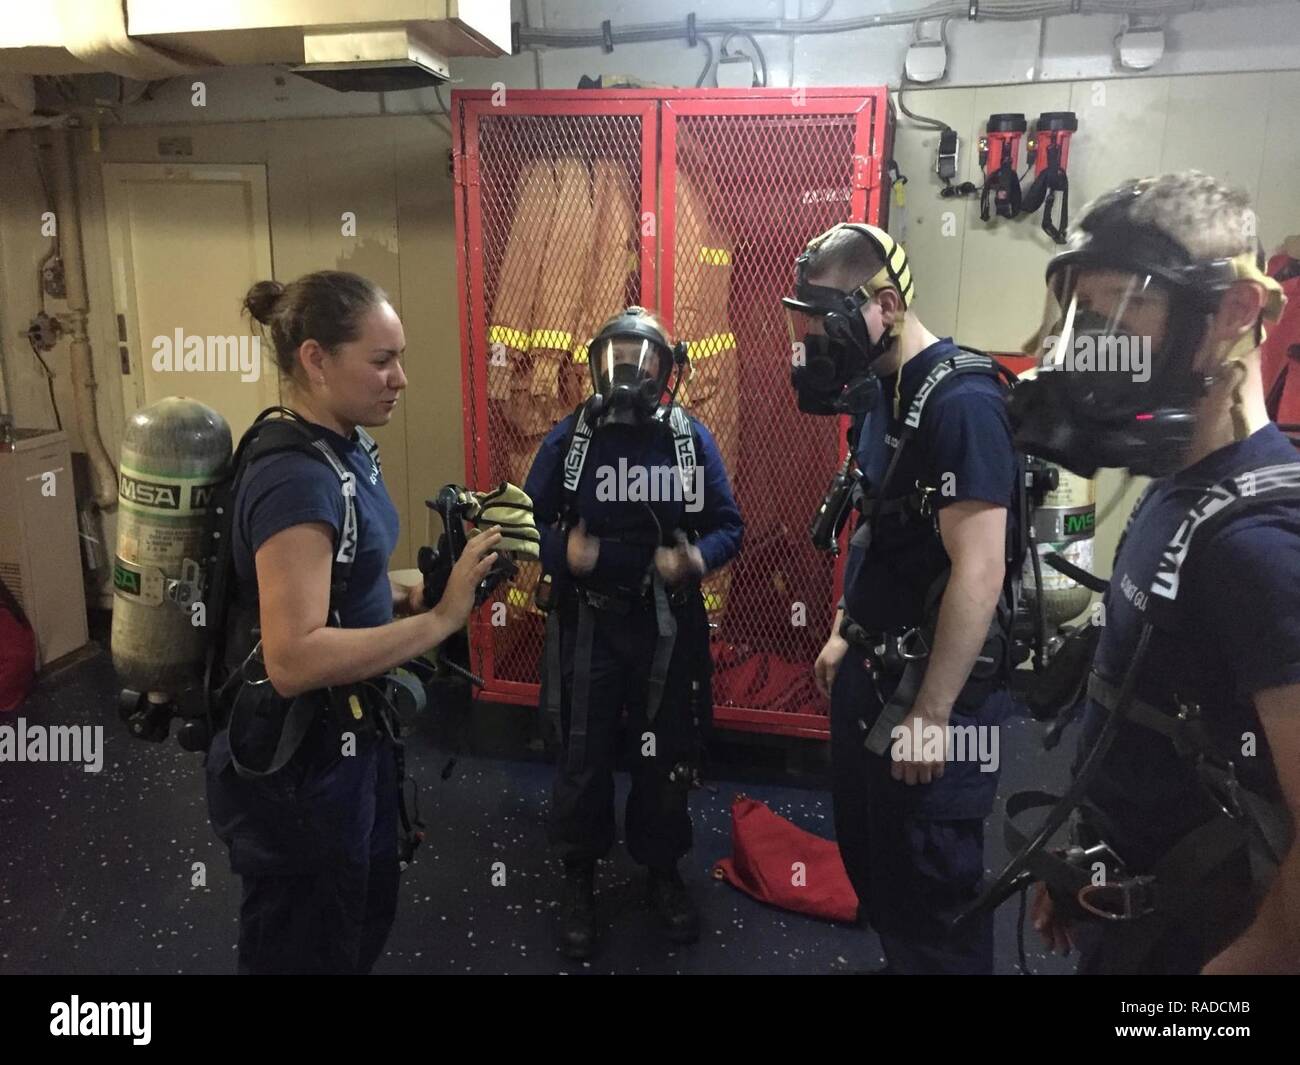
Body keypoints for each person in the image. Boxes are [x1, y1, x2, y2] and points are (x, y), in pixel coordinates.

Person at [1012, 172, 1300, 974]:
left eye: (1123, 307)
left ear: (1234, 313)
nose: (1086, 342)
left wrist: (1260, 957)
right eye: (1082, 311)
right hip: (1134, 916)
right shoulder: (1182, 484)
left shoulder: (1262, 544)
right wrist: (1082, 857)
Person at [205, 270, 502, 974]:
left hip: (352, 745)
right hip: (298, 768)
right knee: (305, 945)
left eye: (399, 356)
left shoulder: (344, 447)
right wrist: (443, 618)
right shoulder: (295, 480)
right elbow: (294, 656)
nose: (399, 377)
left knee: (355, 923)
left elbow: (345, 583)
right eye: (380, 359)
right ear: (314, 359)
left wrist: (417, 591)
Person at [787, 223, 1019, 974]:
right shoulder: (885, 395)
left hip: (931, 699)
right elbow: (873, 527)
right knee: (876, 862)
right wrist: (843, 629)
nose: (815, 352)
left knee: (932, 893)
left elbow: (979, 570)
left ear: (883, 305)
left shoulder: (963, 404)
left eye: (824, 332)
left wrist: (931, 715)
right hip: (871, 673)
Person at [524, 306, 743, 960]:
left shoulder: (687, 440)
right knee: (582, 751)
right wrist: (565, 552)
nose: (628, 369)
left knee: (665, 749)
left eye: (642, 358)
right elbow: (521, 517)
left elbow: (730, 524)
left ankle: (661, 865)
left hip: (664, 625)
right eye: (616, 354)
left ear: (665, 369)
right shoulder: (574, 437)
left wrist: (696, 560)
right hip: (588, 620)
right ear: (595, 362)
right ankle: (579, 874)